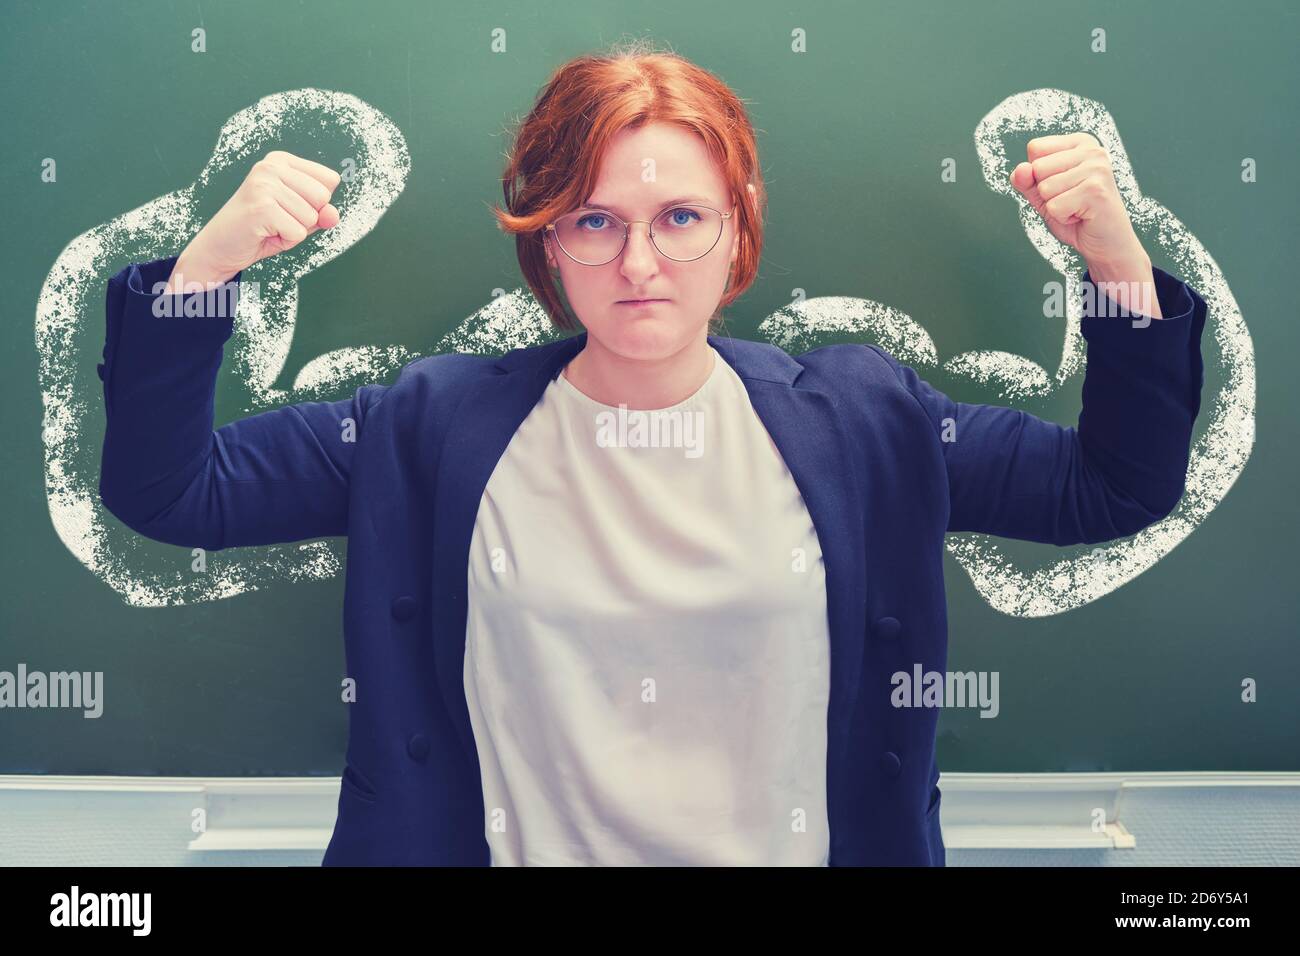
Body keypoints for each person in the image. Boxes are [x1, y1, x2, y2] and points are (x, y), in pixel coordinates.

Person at [98, 43, 1207, 866]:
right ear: (544, 237)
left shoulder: (868, 421)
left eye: (679, 217)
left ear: (738, 224)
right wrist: (210, 264)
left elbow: (1114, 486)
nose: (638, 262)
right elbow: (169, 490)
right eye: (592, 220)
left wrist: (1112, 259)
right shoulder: (426, 426)